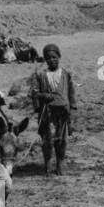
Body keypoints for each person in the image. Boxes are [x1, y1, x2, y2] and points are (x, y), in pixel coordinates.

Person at [30, 43, 76, 174]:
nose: (52, 60)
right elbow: (34, 93)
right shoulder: (41, 75)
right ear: (45, 60)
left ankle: (60, 165)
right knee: (48, 140)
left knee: (61, 140)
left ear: (59, 57)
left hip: (63, 113)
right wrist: (42, 96)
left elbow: (71, 91)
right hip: (48, 113)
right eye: (49, 58)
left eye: (54, 57)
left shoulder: (66, 74)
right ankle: (47, 165)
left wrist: (72, 107)